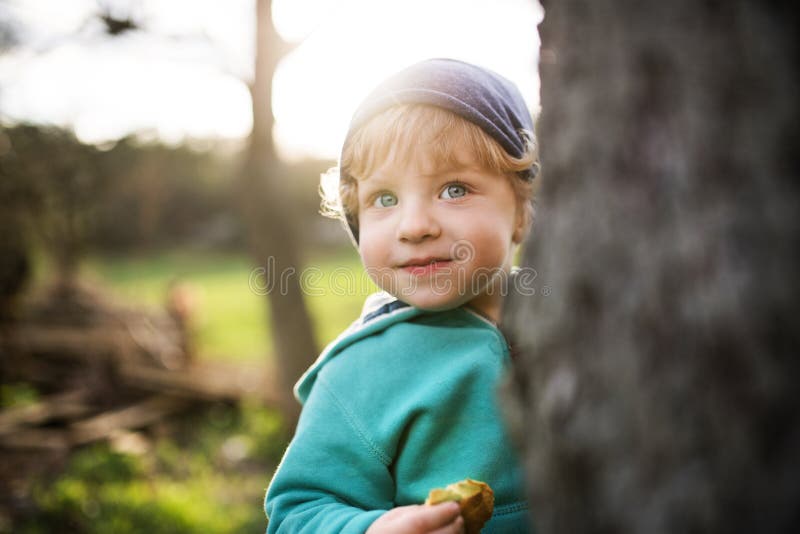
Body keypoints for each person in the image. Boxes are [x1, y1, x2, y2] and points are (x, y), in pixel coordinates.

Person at [264, 58, 539, 533]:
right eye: (385, 199)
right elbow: (298, 511)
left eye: (454, 189)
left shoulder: (581, 322)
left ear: (521, 210)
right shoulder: (360, 371)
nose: (414, 227)